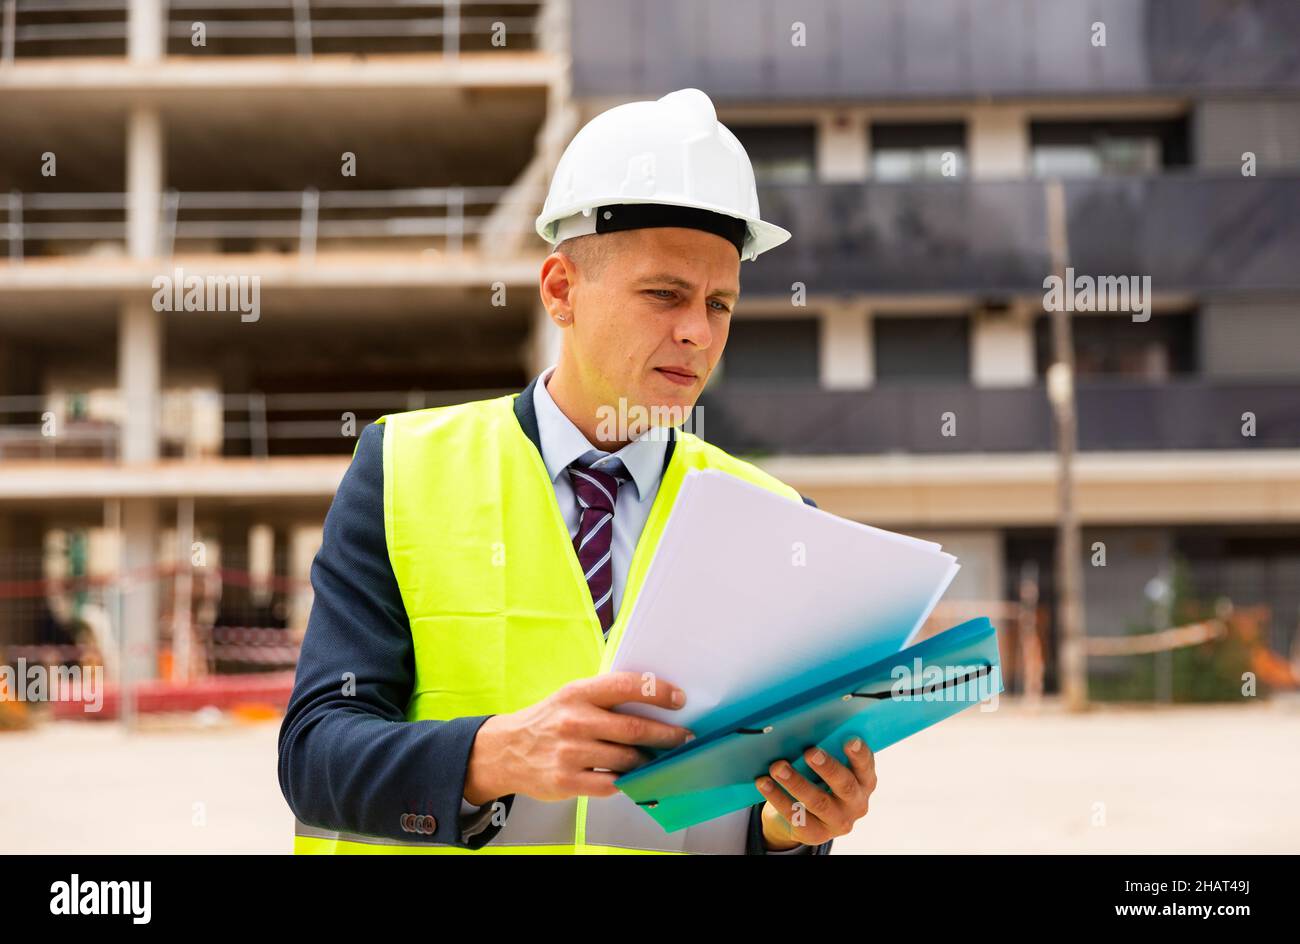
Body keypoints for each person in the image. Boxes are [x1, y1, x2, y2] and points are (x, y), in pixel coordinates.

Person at [278, 88, 877, 854]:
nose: (696, 332)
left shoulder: (773, 517)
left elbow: (759, 806)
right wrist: (493, 756)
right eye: (664, 295)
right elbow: (315, 756)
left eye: (719, 304)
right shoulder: (401, 470)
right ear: (561, 290)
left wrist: (793, 830)